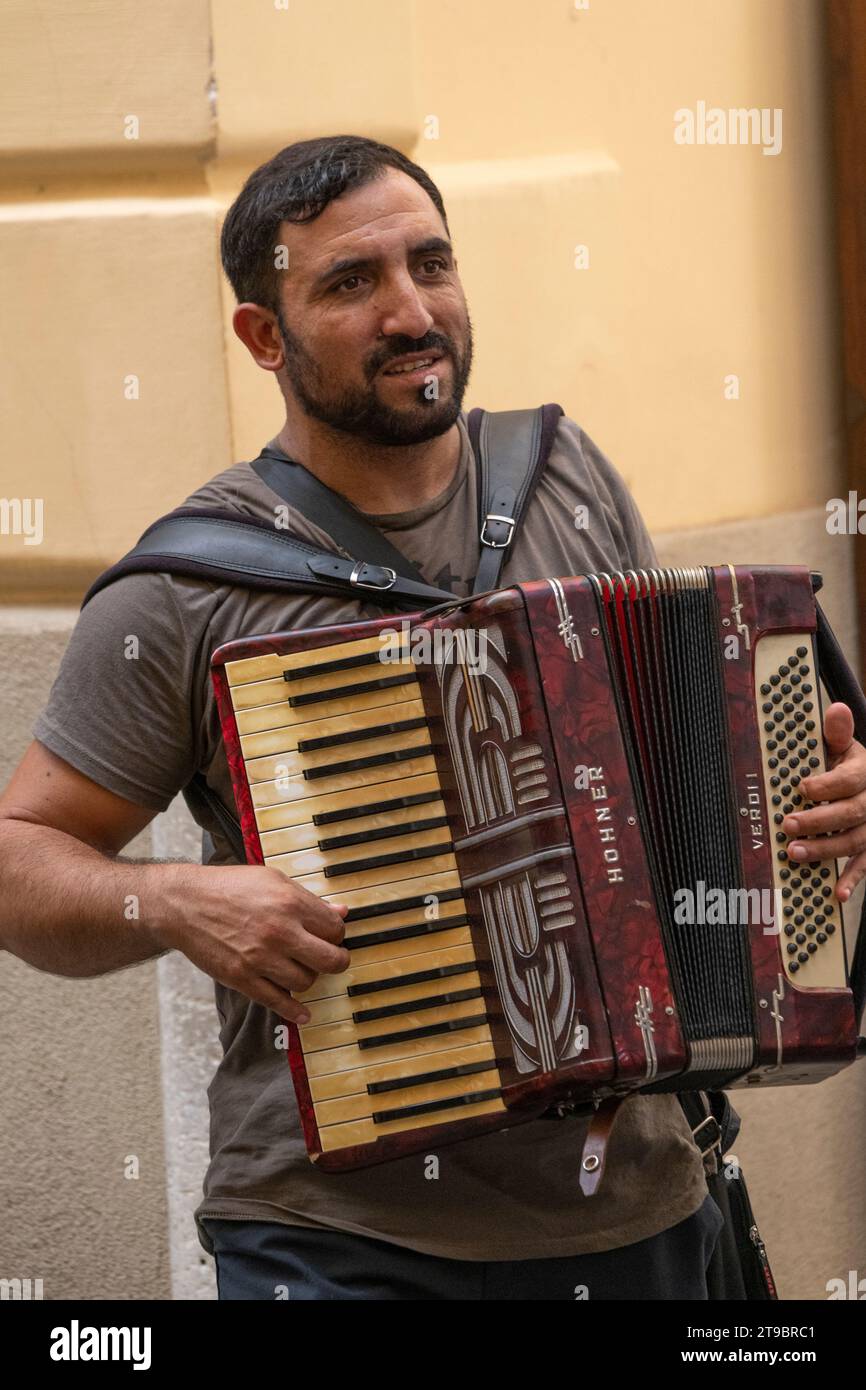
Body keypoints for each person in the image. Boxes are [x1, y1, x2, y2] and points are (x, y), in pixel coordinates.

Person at [2, 135, 865, 1302]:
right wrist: (169, 899)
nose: (410, 311)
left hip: (640, 1210)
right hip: (342, 1240)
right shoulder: (188, 585)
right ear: (266, 336)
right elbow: (20, 862)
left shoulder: (565, 477)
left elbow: (681, 776)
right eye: (351, 283)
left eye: (431, 264)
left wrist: (808, 810)